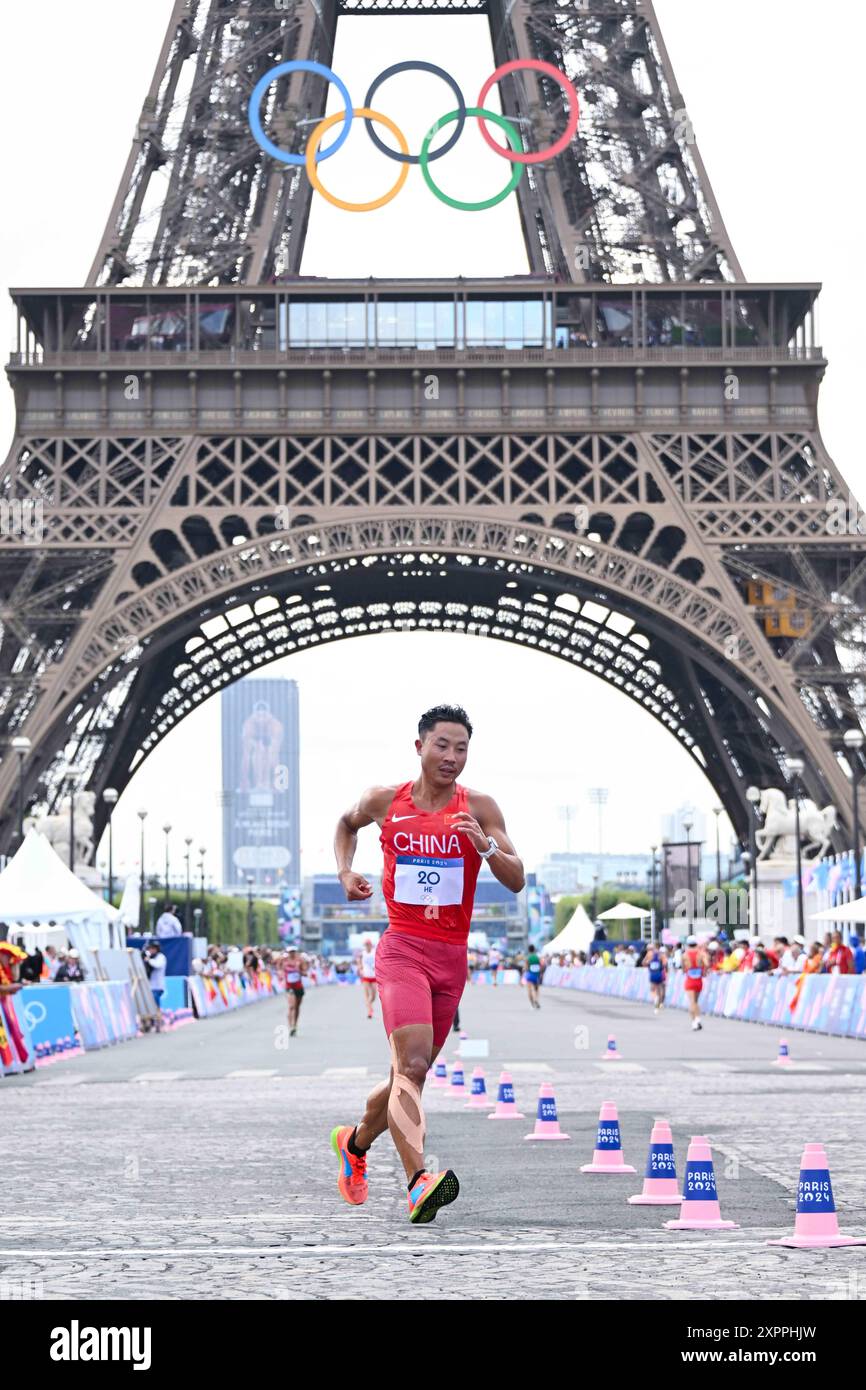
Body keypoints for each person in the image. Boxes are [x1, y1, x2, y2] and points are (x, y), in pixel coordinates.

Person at [331, 703, 525, 1224]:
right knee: (412, 1067)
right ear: (419, 747)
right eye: (442, 745)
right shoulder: (383, 800)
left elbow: (517, 877)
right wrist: (346, 872)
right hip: (403, 948)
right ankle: (419, 1182)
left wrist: (485, 848)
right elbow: (346, 824)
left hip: (451, 957)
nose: (452, 757)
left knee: (408, 1077)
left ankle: (353, 1143)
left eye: (461, 748)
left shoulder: (479, 806)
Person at [682, 934, 708, 1031]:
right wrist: (704, 971)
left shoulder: (685, 955)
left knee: (692, 1002)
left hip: (690, 979)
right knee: (695, 1001)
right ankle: (696, 1020)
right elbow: (707, 964)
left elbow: (683, 969)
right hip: (698, 979)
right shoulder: (701, 954)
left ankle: (695, 1021)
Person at [283, 948, 306, 1035]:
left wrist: (299, 971)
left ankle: (295, 1024)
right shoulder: (284, 961)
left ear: (295, 952)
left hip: (299, 986)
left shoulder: (300, 961)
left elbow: (305, 973)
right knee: (291, 1006)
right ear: (288, 953)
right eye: (290, 952)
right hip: (289, 987)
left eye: (293, 952)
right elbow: (279, 969)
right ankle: (291, 1026)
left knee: (297, 1007)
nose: (292, 953)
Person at [143, 942, 167, 1020]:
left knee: (155, 1002)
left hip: (158, 986)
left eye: (152, 949)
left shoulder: (161, 957)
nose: (151, 950)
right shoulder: (149, 957)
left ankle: (158, 1017)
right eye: (149, 949)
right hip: (150, 986)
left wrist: (149, 960)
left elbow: (157, 965)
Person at [358, 937, 378, 1021]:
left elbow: (379, 960)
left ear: (371, 945)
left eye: (368, 945)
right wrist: (360, 968)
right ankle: (370, 1011)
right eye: (366, 945)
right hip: (366, 976)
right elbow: (359, 961)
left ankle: (370, 1005)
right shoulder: (362, 953)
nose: (367, 946)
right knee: (366, 995)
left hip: (373, 976)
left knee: (373, 996)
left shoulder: (374, 952)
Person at [645, 942, 666, 1011]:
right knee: (660, 989)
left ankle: (655, 998)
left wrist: (649, 964)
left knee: (652, 989)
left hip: (653, 973)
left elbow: (644, 962)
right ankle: (659, 1004)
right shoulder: (662, 954)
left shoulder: (649, 954)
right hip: (660, 973)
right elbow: (665, 964)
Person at [525, 944, 542, 1009]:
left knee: (529, 990)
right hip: (536, 975)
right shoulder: (537, 957)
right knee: (536, 990)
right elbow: (540, 966)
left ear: (529, 950)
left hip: (529, 975)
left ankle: (532, 1004)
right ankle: (536, 1000)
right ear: (534, 949)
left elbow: (526, 968)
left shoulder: (528, 958)